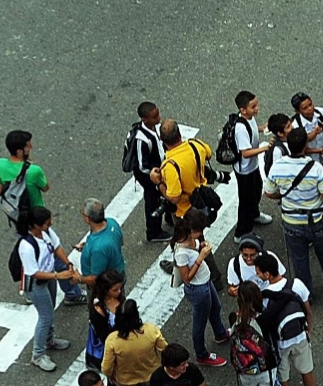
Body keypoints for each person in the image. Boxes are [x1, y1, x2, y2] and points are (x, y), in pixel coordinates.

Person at [264, 127, 323, 295]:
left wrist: (284, 195)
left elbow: (269, 192)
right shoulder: (316, 168)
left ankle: (306, 293)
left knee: (299, 260)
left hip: (291, 222)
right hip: (316, 220)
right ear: (305, 145)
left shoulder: (277, 167)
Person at [253, 256, 323, 386]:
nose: (257, 275)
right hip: (300, 336)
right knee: (307, 371)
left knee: (283, 379)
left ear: (268, 274)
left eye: (259, 272)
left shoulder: (264, 296)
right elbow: (308, 310)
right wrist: (308, 331)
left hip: (280, 344)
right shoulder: (296, 284)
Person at [17, 206, 82, 372]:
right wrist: (58, 276)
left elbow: (57, 247)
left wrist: (68, 264)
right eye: (46, 223)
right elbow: (33, 273)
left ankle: (48, 339)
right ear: (36, 225)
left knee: (50, 310)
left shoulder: (46, 233)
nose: (50, 225)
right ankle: (37, 355)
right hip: (37, 283)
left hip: (49, 276)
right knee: (45, 316)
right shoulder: (26, 246)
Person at [169, 218, 229, 368]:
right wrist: (201, 257)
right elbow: (187, 278)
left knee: (215, 308)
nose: (201, 233)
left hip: (206, 281)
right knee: (199, 323)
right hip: (198, 289)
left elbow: (195, 251)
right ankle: (201, 354)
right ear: (190, 232)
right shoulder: (181, 252)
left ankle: (220, 333)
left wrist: (201, 247)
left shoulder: (192, 241)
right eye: (198, 231)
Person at [225, 287, 279, 386]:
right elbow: (274, 338)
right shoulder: (265, 318)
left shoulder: (233, 317)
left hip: (244, 369)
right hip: (265, 368)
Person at [226, 91, 276, 239]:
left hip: (252, 167)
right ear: (243, 110)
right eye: (253, 106)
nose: (257, 108)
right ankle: (241, 233)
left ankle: (255, 215)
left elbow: (253, 128)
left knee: (256, 190)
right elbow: (245, 153)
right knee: (246, 202)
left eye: (256, 104)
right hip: (244, 171)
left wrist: (262, 128)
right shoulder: (240, 129)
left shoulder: (249, 118)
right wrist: (265, 148)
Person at [102, 299, 169, 386]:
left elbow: (106, 368)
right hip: (152, 377)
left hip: (126, 383)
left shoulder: (112, 340)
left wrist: (111, 376)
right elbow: (165, 350)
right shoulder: (150, 330)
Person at [154, 121, 217, 226]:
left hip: (185, 211)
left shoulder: (169, 167)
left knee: (187, 236)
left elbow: (174, 198)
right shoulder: (195, 144)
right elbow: (209, 154)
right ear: (179, 134)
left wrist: (159, 183)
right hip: (203, 197)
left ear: (161, 138)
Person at [127, 103, 172, 243]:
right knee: (153, 200)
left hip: (160, 168)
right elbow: (142, 166)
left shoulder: (156, 128)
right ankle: (153, 232)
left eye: (158, 114)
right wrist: (155, 174)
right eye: (154, 117)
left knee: (167, 194)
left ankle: (170, 217)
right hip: (150, 176)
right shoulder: (141, 139)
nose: (158, 118)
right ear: (144, 119)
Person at [0, 129, 48, 229]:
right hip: (36, 216)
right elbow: (45, 188)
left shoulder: (0, 164)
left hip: (16, 212)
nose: (31, 147)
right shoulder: (34, 170)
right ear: (19, 151)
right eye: (28, 146)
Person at [84, 272, 126, 378]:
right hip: (109, 344)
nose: (119, 292)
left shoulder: (119, 298)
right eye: (115, 290)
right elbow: (104, 336)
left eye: (120, 288)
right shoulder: (98, 310)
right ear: (105, 290)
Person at [76, 198, 126, 285]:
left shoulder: (98, 248)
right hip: (119, 273)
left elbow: (95, 279)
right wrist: (87, 249)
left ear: (88, 219)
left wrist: (79, 279)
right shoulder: (112, 222)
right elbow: (120, 243)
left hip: (105, 286)